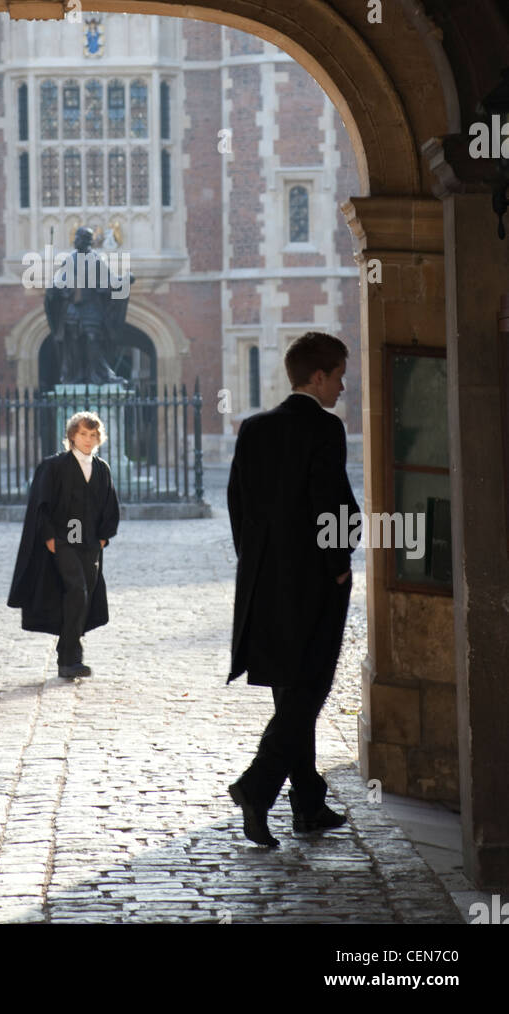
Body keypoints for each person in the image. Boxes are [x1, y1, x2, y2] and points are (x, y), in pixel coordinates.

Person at [227, 331, 359, 847]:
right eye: (340, 376)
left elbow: (238, 504)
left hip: (265, 583)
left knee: (290, 688)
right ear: (319, 376)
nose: (343, 387)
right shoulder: (325, 428)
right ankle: (257, 788)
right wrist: (340, 562)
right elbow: (332, 501)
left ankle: (307, 802)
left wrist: (256, 563)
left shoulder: (254, 428)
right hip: (313, 583)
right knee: (309, 690)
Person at [8, 410, 119, 679]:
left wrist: (103, 537)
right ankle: (70, 657)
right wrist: (49, 538)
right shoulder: (55, 466)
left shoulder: (101, 468)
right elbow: (41, 503)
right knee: (76, 591)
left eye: (93, 435)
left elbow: (109, 506)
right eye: (83, 434)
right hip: (63, 542)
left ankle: (67, 651)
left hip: (91, 544)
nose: (88, 440)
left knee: (85, 596)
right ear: (71, 436)